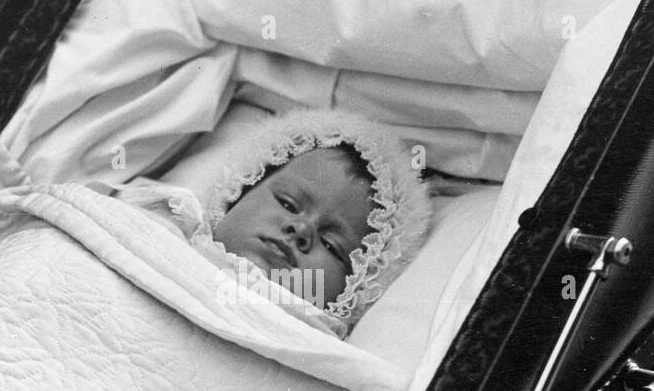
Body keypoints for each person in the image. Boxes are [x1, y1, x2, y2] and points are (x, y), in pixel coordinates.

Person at [109, 107, 433, 336]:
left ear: (352, 293)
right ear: (237, 191)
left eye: (333, 246)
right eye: (288, 203)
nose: (302, 229)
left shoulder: (319, 349)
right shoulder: (157, 222)